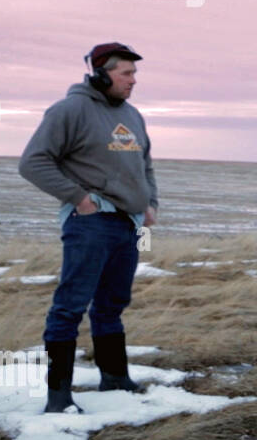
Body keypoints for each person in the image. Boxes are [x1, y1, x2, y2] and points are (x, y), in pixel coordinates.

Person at [18, 42, 158, 413]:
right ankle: (58, 396)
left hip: (127, 224)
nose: (133, 81)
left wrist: (150, 203)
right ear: (100, 74)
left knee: (112, 305)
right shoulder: (70, 110)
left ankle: (114, 377)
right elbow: (33, 162)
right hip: (90, 224)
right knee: (70, 307)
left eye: (134, 74)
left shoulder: (132, 115)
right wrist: (79, 198)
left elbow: (145, 165)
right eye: (126, 73)